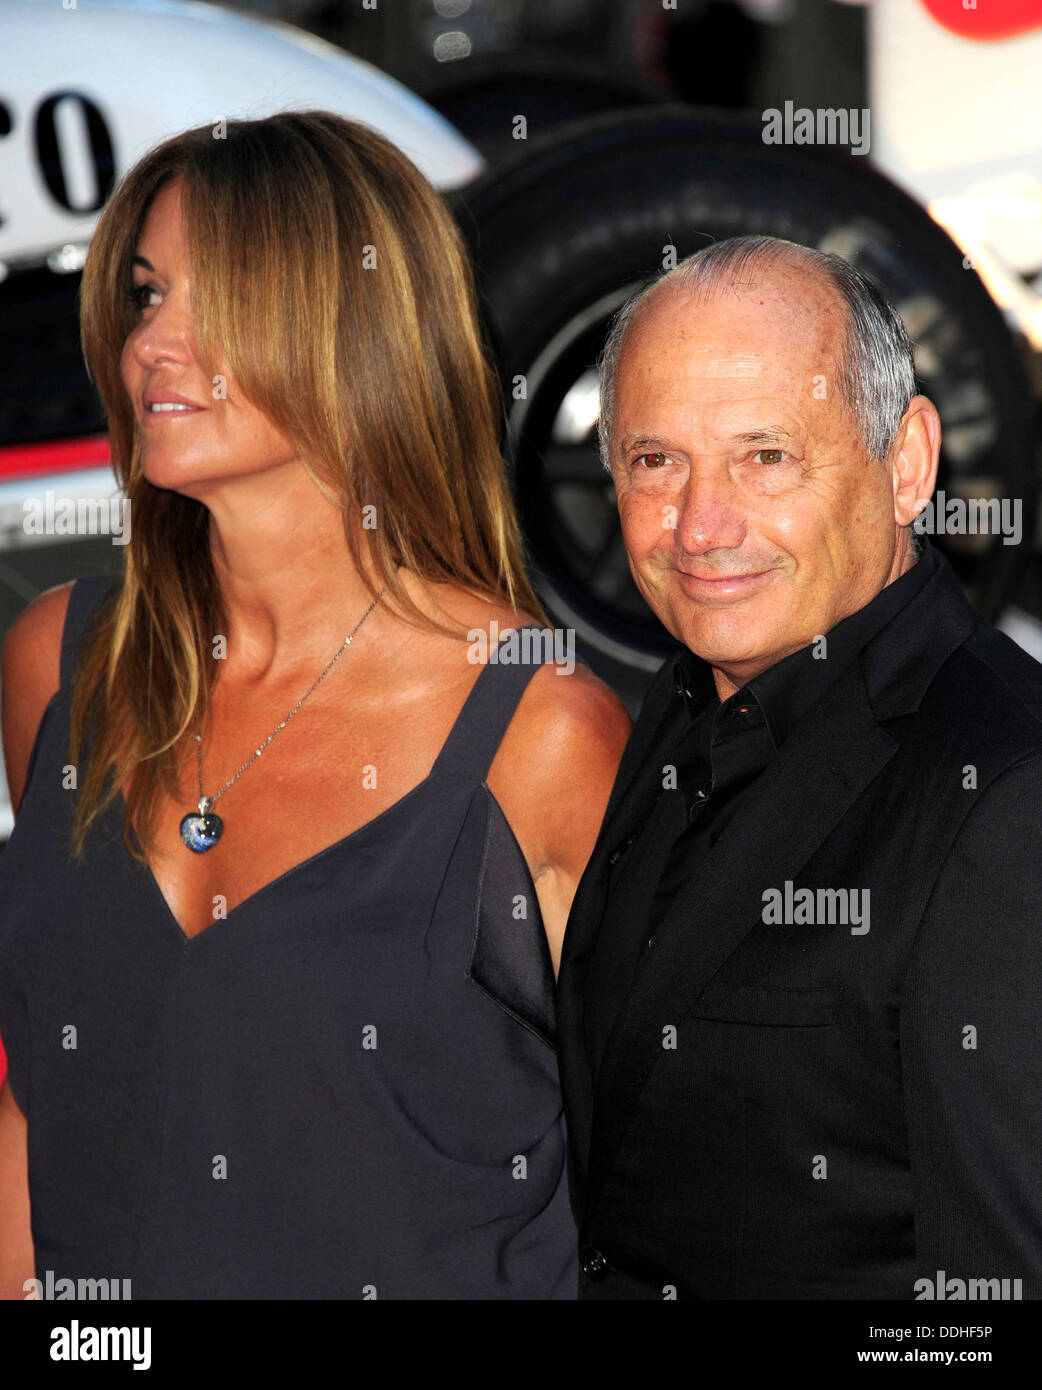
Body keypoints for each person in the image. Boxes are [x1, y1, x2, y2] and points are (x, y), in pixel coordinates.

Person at [0, 111, 630, 1300]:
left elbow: (657, 1190)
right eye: (144, 296)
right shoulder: (59, 666)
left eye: (216, 302)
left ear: (356, 332)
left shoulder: (543, 734)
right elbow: (44, 1100)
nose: (153, 348)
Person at [556, 234, 1042, 1299]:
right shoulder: (688, 694)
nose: (699, 525)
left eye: (764, 455)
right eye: (654, 461)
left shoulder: (1008, 796)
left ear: (906, 463)